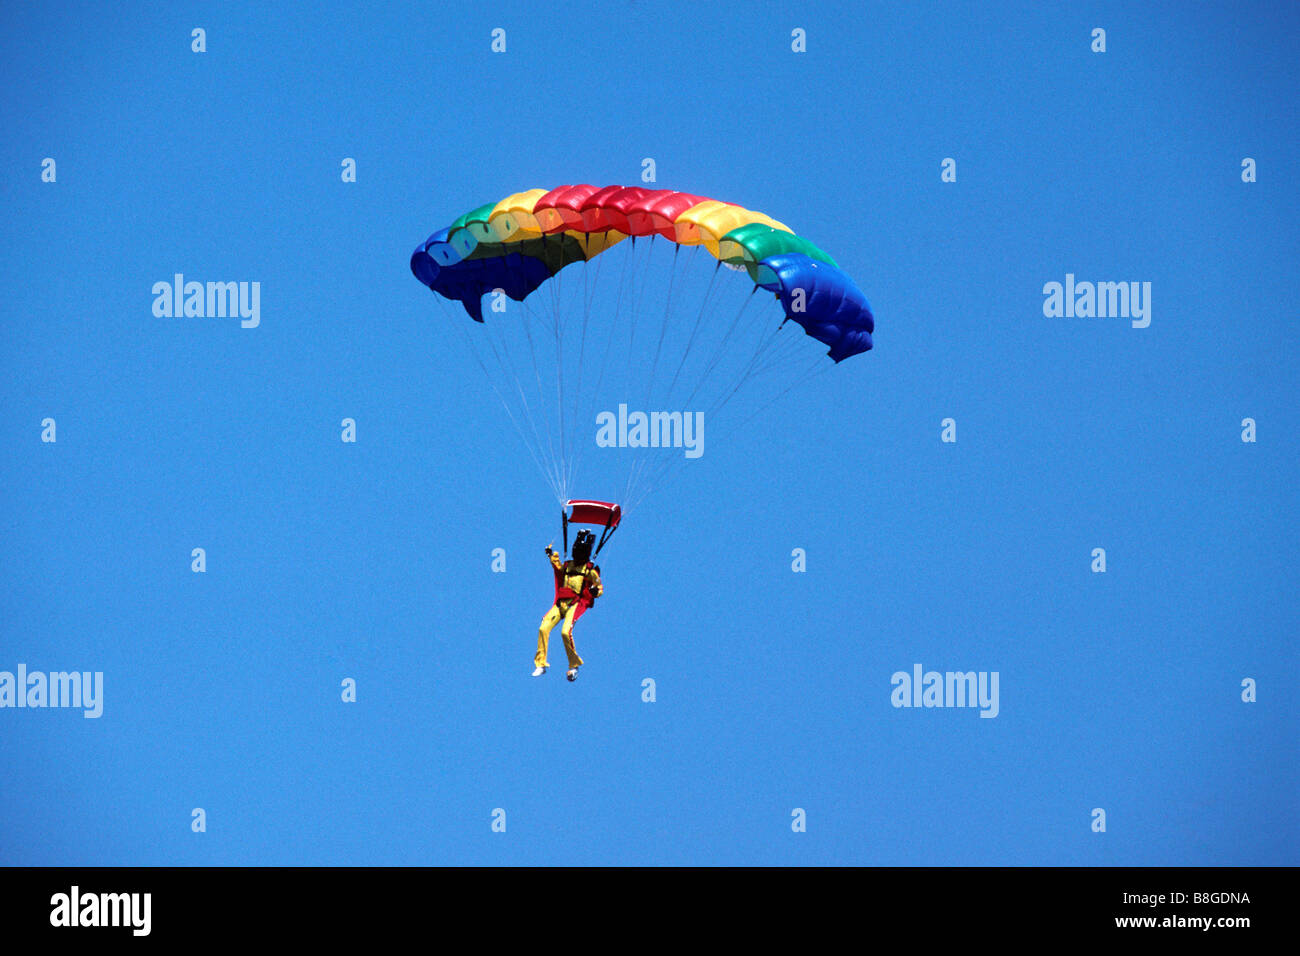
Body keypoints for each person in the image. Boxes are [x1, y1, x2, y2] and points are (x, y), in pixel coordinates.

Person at [533, 530, 603, 681]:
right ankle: (541, 664)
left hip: (574, 604)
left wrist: (594, 590)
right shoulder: (568, 565)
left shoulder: (589, 571)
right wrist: (551, 555)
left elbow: (599, 588)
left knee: (565, 632)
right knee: (543, 628)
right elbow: (558, 568)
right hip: (560, 603)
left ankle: (574, 664)